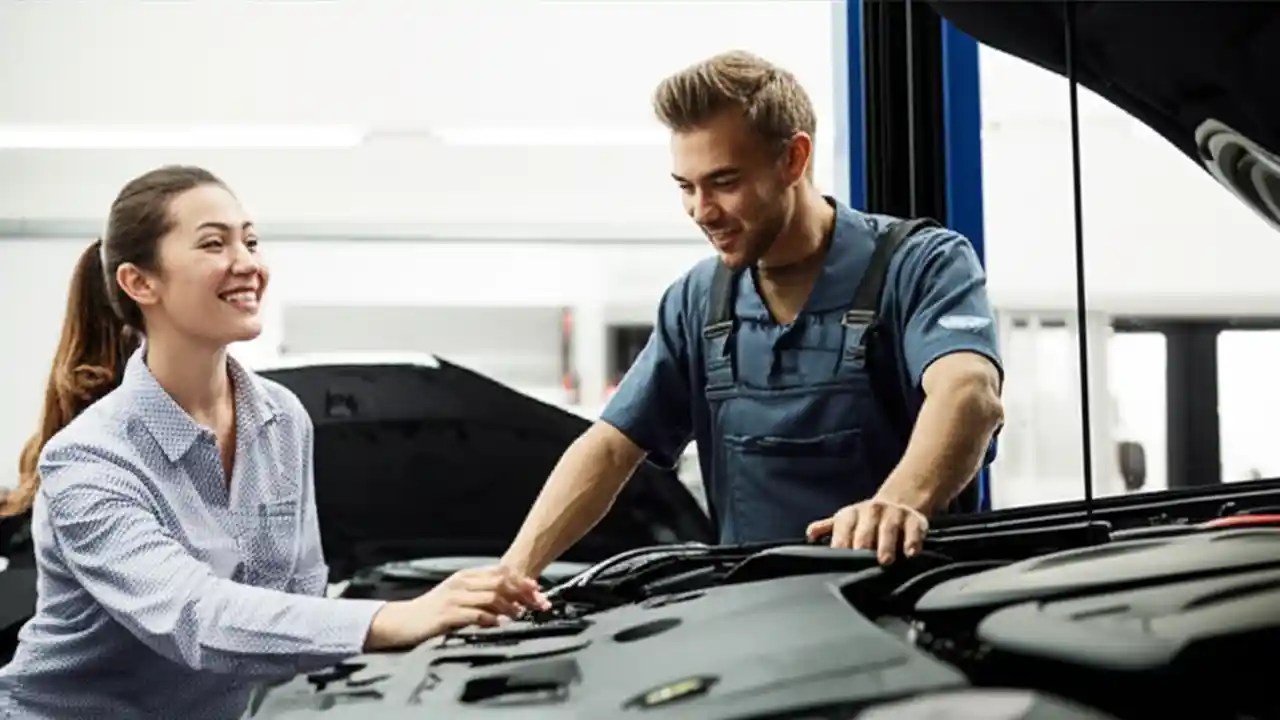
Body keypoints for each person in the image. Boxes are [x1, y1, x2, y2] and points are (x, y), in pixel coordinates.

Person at [0, 165, 550, 720]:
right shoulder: (89, 460)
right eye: (214, 243)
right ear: (141, 283)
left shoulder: (281, 419)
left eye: (251, 240)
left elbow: (299, 604)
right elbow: (195, 617)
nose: (248, 263)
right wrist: (394, 619)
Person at [501, 50, 1005, 577]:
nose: (701, 210)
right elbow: (608, 450)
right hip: (750, 618)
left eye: (723, 182)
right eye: (685, 187)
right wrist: (511, 575)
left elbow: (969, 392)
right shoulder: (697, 301)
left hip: (903, 604)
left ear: (794, 159)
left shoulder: (922, 264)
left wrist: (899, 502)